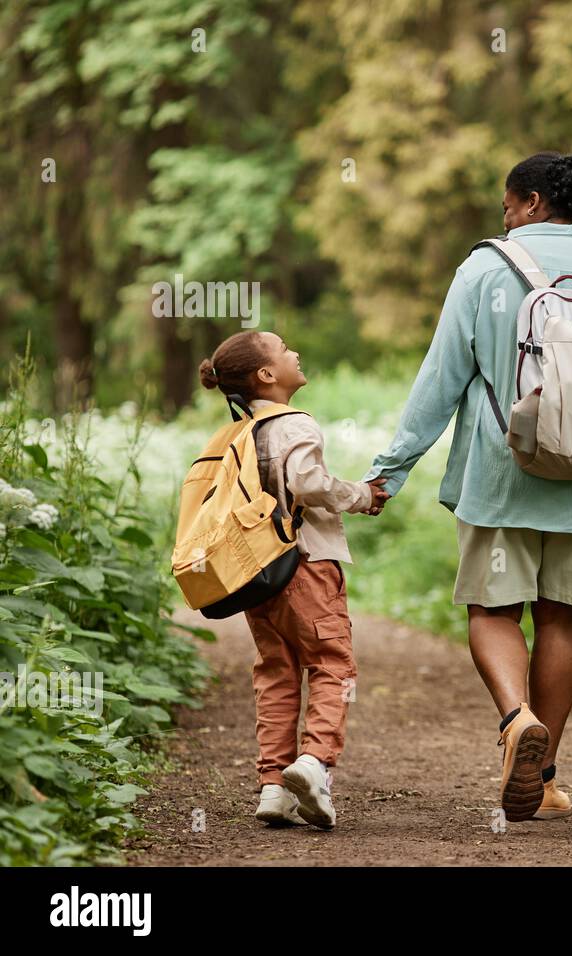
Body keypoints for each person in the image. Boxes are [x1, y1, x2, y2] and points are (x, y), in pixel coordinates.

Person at [364, 147, 572, 822]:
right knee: (561, 618)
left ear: (532, 202)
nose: (503, 218)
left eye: (507, 205)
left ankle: (514, 722)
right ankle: (547, 774)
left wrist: (391, 468)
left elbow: (440, 378)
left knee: (493, 611)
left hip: (503, 472)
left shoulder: (484, 269)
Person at [198, 330, 390, 830]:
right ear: (267, 375)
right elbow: (308, 483)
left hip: (258, 575)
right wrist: (361, 495)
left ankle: (272, 788)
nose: (295, 354)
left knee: (276, 673)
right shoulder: (295, 424)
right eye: (285, 351)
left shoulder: (239, 433)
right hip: (306, 564)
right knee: (333, 665)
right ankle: (314, 764)